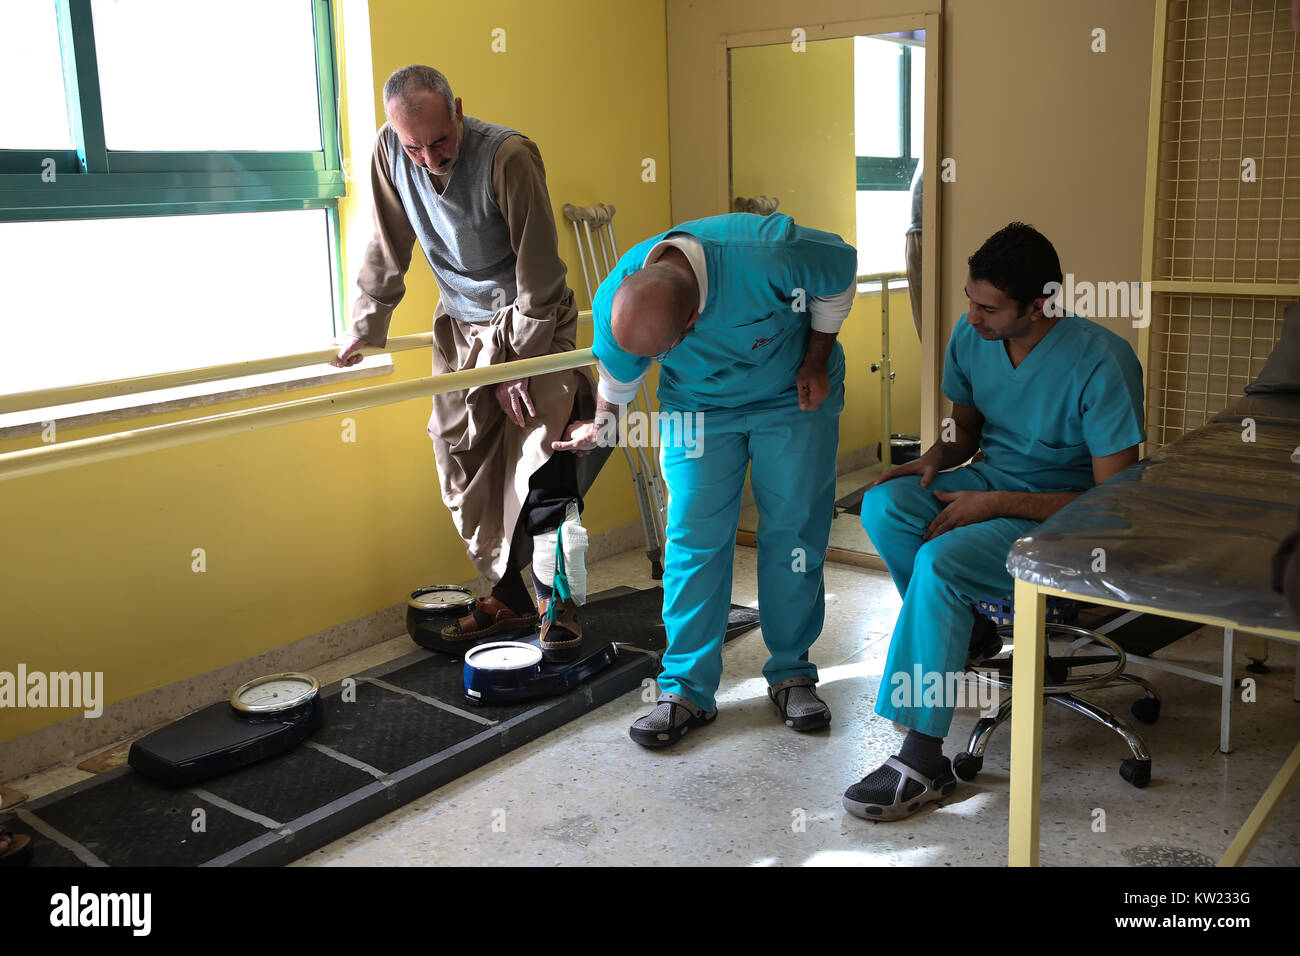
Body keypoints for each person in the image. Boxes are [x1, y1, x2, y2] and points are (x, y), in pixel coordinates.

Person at [845, 222, 1145, 820]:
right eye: (969, 299)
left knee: (941, 561)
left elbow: (1114, 501)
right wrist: (932, 459)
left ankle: (923, 757)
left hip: (1070, 514)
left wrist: (998, 504)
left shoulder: (1102, 361)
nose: (972, 317)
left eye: (988, 306)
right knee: (884, 503)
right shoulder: (972, 334)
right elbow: (966, 428)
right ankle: (973, 634)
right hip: (992, 482)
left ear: (1041, 305)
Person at [554, 212, 858, 745]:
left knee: (793, 531)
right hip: (695, 408)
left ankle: (791, 671)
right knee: (692, 536)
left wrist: (817, 357)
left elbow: (839, 274)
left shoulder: (768, 251)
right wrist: (599, 428)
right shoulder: (616, 303)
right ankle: (686, 688)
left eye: (664, 350)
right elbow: (619, 385)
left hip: (790, 394)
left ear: (693, 319)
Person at [332, 65, 597, 660]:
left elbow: (540, 271)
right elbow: (386, 241)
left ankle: (561, 605)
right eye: (414, 146)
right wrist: (366, 325)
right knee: (462, 464)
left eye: (440, 141)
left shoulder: (509, 157)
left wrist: (515, 367)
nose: (429, 158)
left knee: (542, 465)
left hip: (533, 325)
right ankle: (508, 597)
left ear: (457, 108)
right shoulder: (389, 152)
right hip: (462, 331)